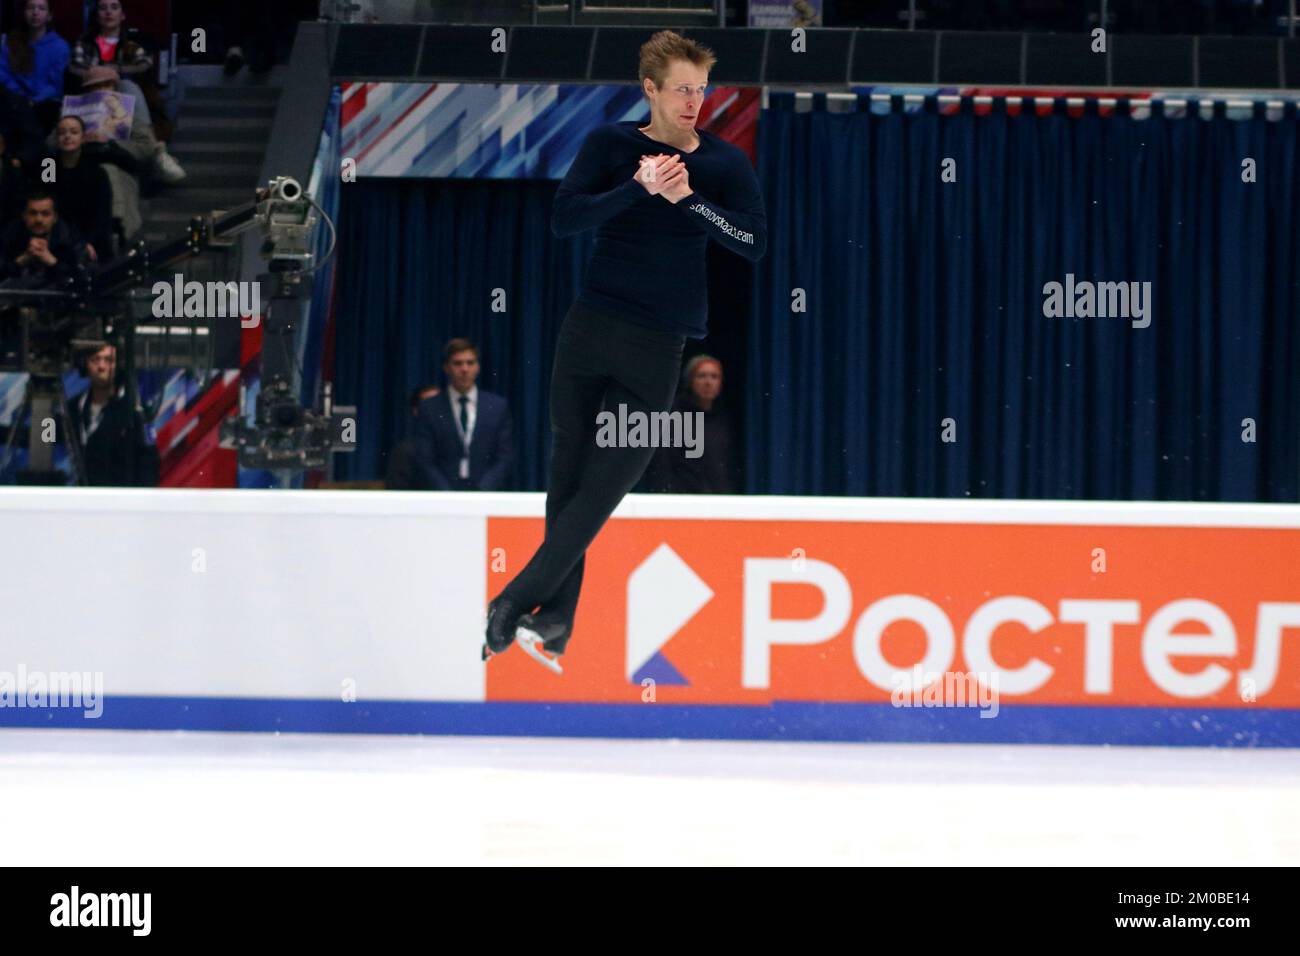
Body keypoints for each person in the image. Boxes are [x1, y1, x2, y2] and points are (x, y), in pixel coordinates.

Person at [481, 30, 766, 670]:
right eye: (682, 89)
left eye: (701, 88)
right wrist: (637, 190)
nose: (694, 100)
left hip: (658, 344)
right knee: (567, 478)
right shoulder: (611, 143)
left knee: (612, 479)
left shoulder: (724, 163)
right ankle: (554, 620)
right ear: (651, 91)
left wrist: (686, 199)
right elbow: (566, 219)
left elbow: (750, 242)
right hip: (588, 330)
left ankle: (514, 601)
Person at [411, 339, 514, 492]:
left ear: (477, 367)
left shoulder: (497, 406)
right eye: (458, 363)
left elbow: (505, 457)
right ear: (446, 367)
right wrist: (446, 494)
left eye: (470, 362)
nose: (464, 369)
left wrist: (483, 490)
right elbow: (424, 458)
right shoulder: (429, 408)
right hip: (442, 496)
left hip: (486, 495)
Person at [65, 341, 158, 486]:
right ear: (86, 365)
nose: (102, 367)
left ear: (117, 365)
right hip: (84, 499)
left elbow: (148, 458)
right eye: (95, 360)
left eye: (108, 360)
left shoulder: (134, 410)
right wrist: (45, 416)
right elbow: (49, 438)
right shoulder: (74, 407)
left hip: (121, 501)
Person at [645, 354, 740, 494]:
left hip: (720, 502)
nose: (708, 382)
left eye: (714, 376)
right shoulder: (674, 416)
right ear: (690, 380)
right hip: (684, 502)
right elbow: (662, 466)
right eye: (701, 376)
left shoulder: (723, 419)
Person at [0, 0, 70, 133]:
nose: (35, 12)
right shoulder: (11, 42)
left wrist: (34, 101)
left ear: (49, 16)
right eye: (31, 8)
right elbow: (3, 74)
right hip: (15, 101)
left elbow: (55, 84)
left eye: (41, 8)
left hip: (45, 105)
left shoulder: (60, 46)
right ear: (24, 13)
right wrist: (21, 98)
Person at [50, 114, 112, 259]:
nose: (67, 136)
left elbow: (102, 213)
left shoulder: (96, 171)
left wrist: (88, 241)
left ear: (83, 137)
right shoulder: (49, 165)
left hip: (90, 233)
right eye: (62, 132)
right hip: (57, 232)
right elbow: (44, 198)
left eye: (73, 132)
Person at [0, 186, 87, 283]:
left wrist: (52, 261)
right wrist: (22, 260)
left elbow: (84, 281)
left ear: (55, 217)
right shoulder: (7, 237)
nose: (39, 220)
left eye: (45, 214)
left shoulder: (71, 239)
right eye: (32, 213)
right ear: (23, 216)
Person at [385, 383, 440, 490]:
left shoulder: (461, 447)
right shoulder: (405, 452)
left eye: (440, 405)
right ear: (416, 411)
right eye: (430, 406)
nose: (436, 411)